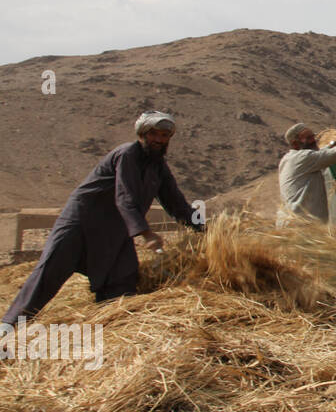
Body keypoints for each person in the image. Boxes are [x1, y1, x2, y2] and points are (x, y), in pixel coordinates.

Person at [1, 111, 204, 329]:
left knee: (122, 279)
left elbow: (176, 203)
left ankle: (110, 330)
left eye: (164, 135)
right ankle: (8, 328)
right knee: (48, 275)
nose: (159, 140)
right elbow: (124, 198)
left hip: (114, 232)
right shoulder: (126, 154)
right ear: (143, 134)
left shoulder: (158, 167)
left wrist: (203, 228)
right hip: (81, 223)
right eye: (154, 134)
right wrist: (145, 233)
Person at [277, 122, 336, 224]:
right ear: (295, 144)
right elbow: (334, 154)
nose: (314, 140)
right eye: (308, 138)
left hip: (291, 221)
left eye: (313, 136)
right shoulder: (303, 157)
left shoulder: (288, 158)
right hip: (301, 224)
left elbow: (320, 153)